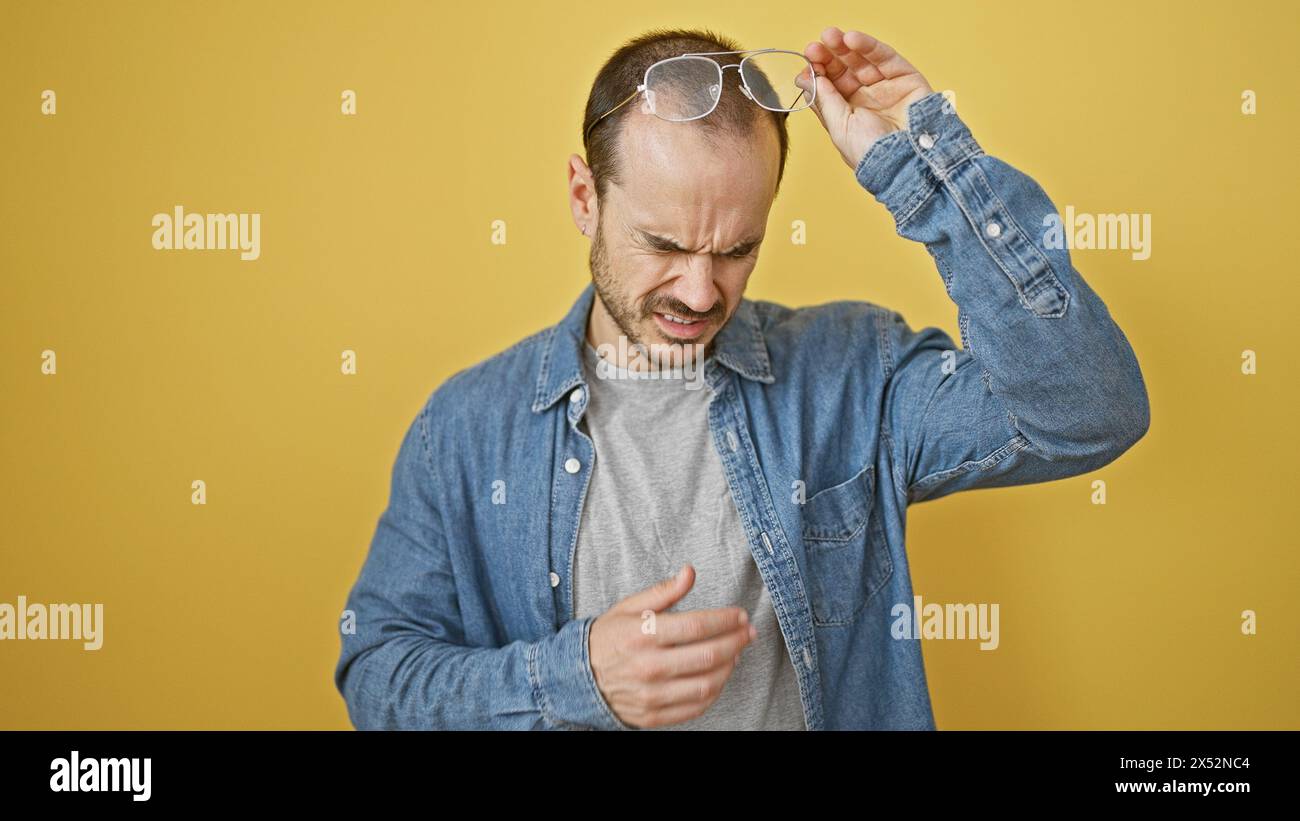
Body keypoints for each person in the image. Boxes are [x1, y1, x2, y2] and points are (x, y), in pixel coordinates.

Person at [334, 26, 1150, 730]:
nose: (699, 292)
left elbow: (1088, 410)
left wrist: (922, 169)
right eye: (662, 244)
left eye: (735, 251)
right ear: (585, 196)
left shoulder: (853, 371)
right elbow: (377, 677)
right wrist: (578, 679)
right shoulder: (467, 428)